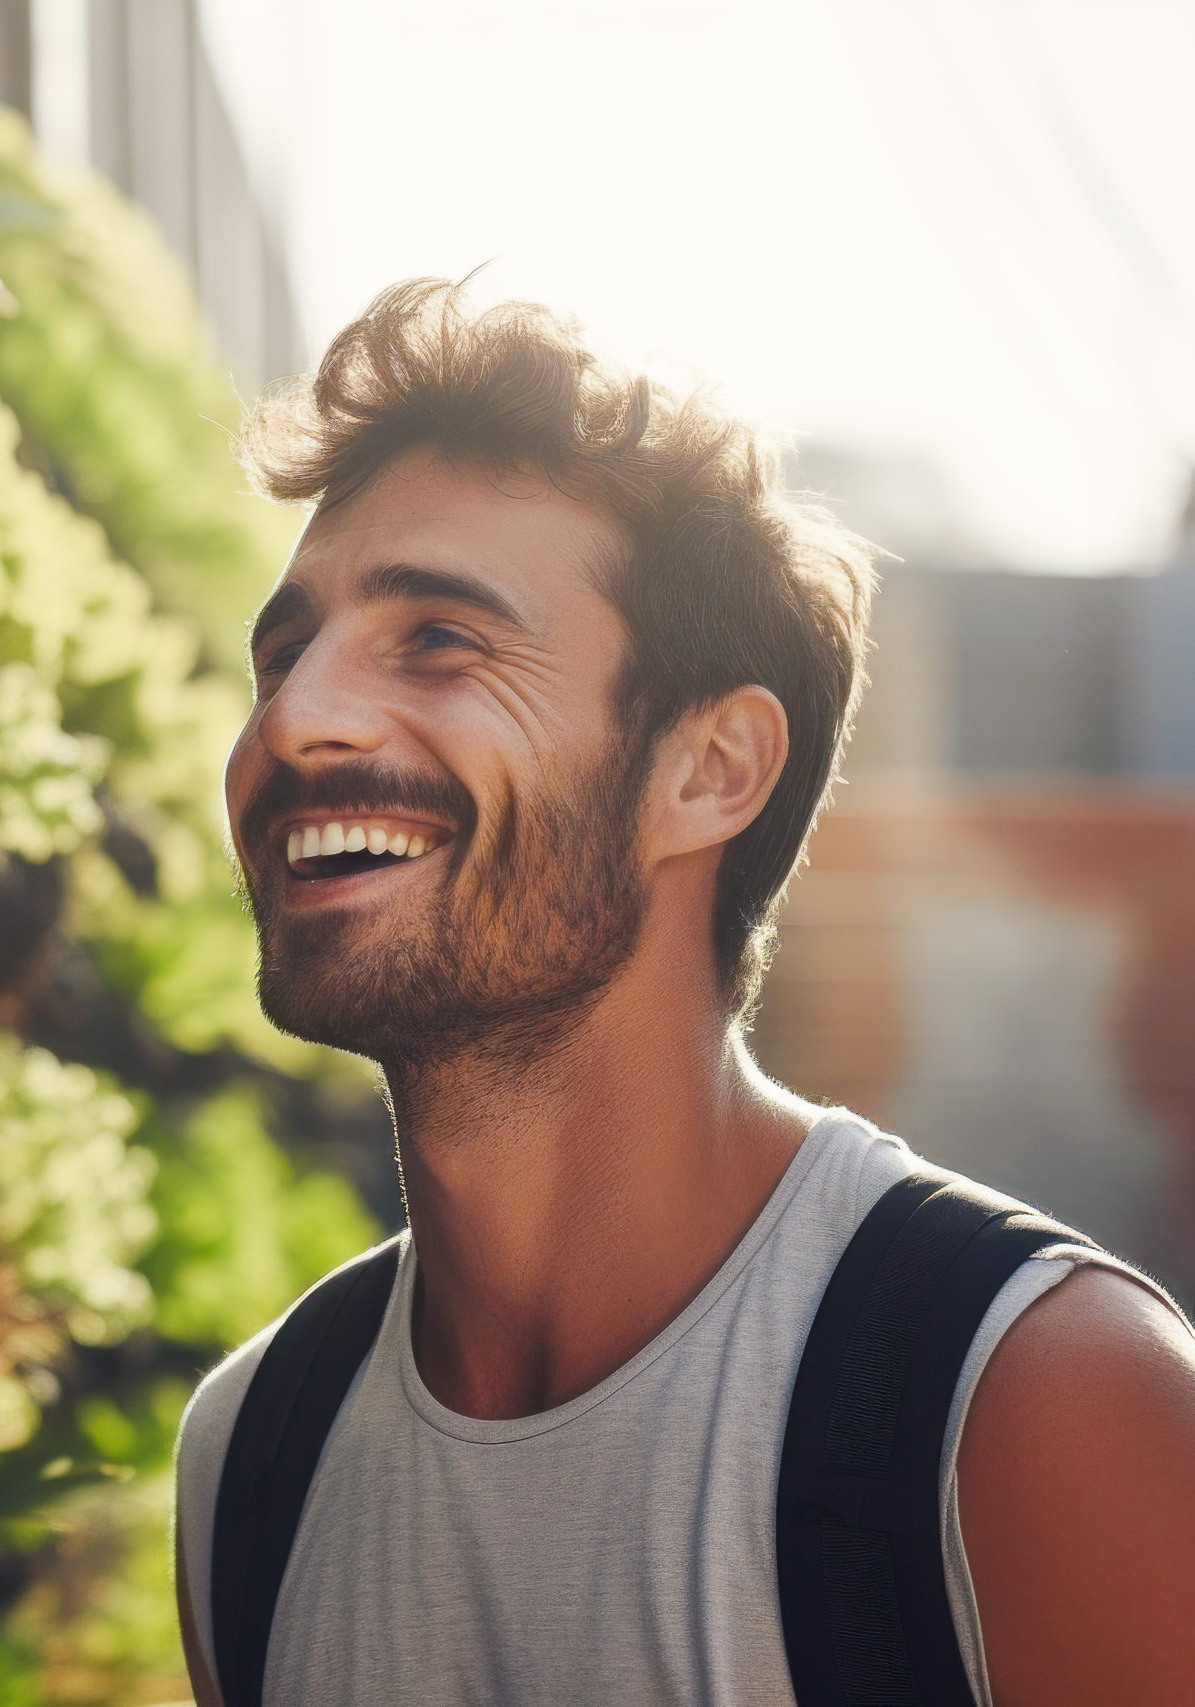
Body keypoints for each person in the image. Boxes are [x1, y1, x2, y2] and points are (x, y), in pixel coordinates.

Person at [175, 279, 1195, 1706]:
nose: (294, 716)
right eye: (284, 653)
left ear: (709, 771)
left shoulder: (1037, 1405)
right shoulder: (252, 1462)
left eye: (441, 639)